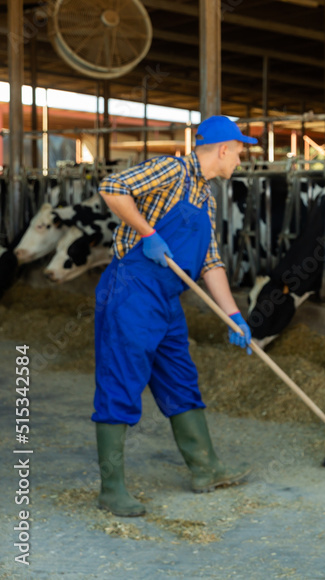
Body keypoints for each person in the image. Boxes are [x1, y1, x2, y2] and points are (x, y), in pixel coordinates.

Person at [92, 116, 257, 517]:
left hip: (166, 298)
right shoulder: (173, 169)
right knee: (122, 380)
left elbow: (211, 262)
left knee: (181, 378)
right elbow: (112, 188)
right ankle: (112, 489)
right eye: (239, 150)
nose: (240, 158)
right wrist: (148, 234)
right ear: (222, 149)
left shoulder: (207, 197)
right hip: (132, 288)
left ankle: (207, 469)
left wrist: (233, 314)